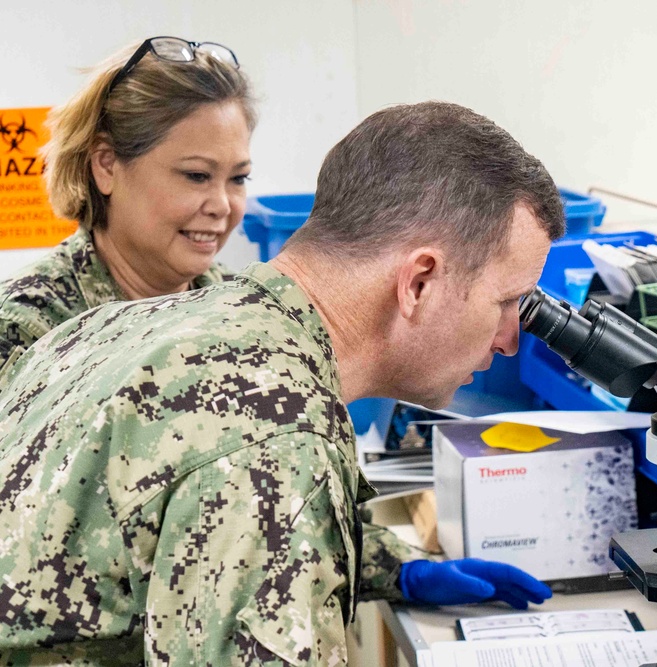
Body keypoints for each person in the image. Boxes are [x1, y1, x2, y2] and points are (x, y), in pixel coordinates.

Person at [0, 101, 563, 664]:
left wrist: (401, 569)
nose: (511, 340)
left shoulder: (135, 322)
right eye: (508, 301)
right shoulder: (277, 436)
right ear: (418, 280)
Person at [0, 37, 256, 383]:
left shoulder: (241, 310)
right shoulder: (26, 330)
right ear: (106, 165)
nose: (222, 205)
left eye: (238, 178)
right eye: (196, 175)